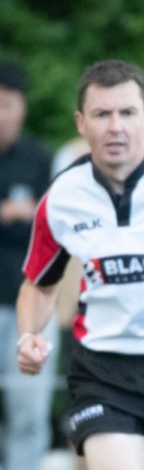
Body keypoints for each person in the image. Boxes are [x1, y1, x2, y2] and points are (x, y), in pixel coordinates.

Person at [15, 59, 144, 470]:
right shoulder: (63, 196)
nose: (115, 127)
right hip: (103, 370)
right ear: (80, 122)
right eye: (102, 114)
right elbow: (39, 284)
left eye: (127, 113)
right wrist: (28, 336)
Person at [0, 62, 56, 469]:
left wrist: (29, 211)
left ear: (22, 107)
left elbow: (61, 226)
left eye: (7, 104)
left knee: (28, 410)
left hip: (29, 304)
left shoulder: (42, 160)